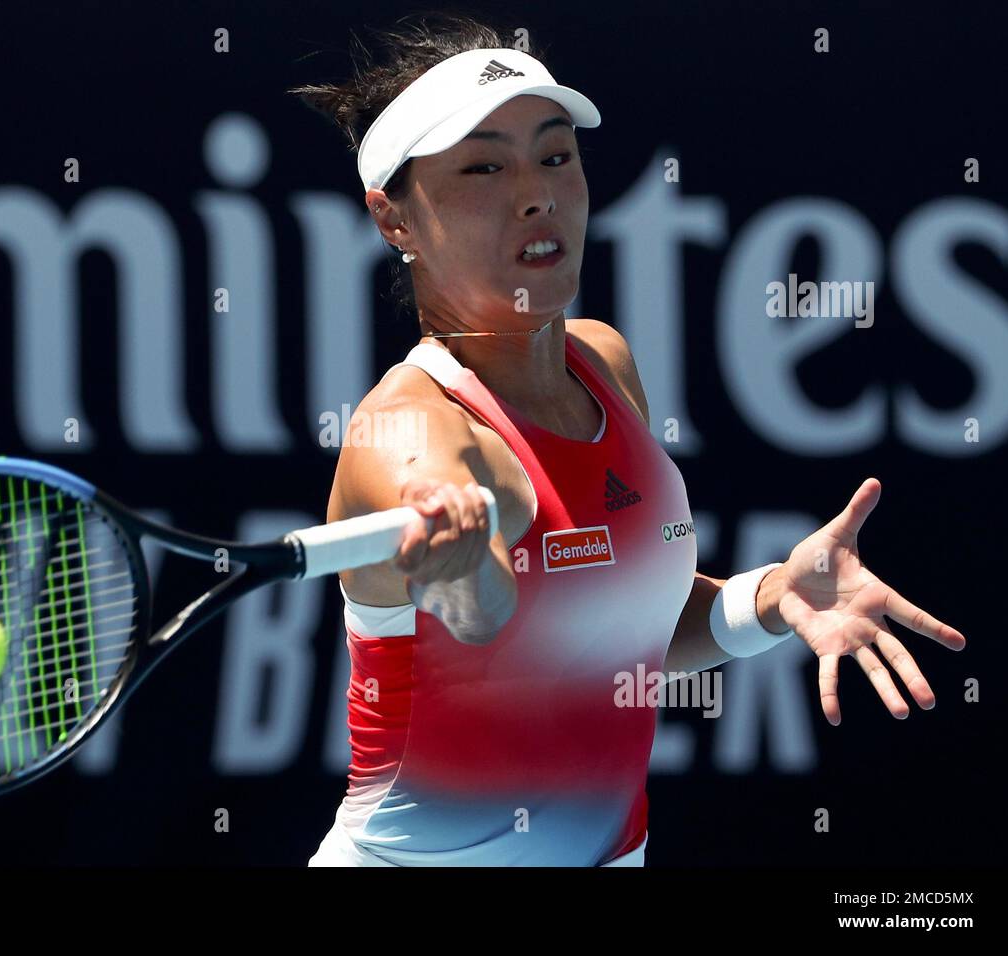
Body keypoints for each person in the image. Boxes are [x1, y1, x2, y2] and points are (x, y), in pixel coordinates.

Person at [289, 14, 966, 867]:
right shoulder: (410, 429)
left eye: (555, 155)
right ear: (394, 222)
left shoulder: (603, 362)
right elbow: (484, 615)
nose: (536, 192)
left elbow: (613, 634)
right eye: (485, 166)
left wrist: (769, 598)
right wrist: (461, 567)